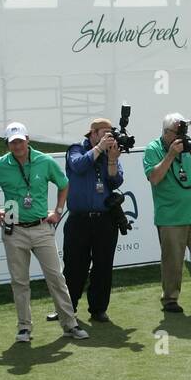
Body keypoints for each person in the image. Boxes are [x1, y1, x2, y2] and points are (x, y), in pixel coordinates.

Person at [0, 122, 88, 342]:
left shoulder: (44, 161)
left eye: (20, 140)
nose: (17, 146)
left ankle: (69, 324)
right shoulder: (0, 165)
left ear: (27, 139)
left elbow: (64, 184)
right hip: (13, 228)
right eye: (12, 142)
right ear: (8, 144)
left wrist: (58, 211)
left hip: (41, 226)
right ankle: (24, 328)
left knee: (56, 277)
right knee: (20, 281)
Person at [143, 112, 191, 313]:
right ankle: (170, 300)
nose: (181, 136)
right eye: (178, 133)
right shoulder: (153, 149)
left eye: (183, 132)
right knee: (172, 261)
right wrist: (171, 155)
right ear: (167, 133)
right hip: (170, 218)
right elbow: (154, 177)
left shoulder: (188, 145)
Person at [62, 118, 125, 323]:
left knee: (103, 265)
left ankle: (98, 309)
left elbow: (116, 181)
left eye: (111, 133)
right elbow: (78, 166)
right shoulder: (75, 149)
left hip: (105, 219)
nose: (110, 136)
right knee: (74, 266)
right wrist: (99, 148)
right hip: (78, 220)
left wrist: (113, 160)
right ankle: (66, 308)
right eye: (105, 132)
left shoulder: (110, 152)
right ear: (93, 133)